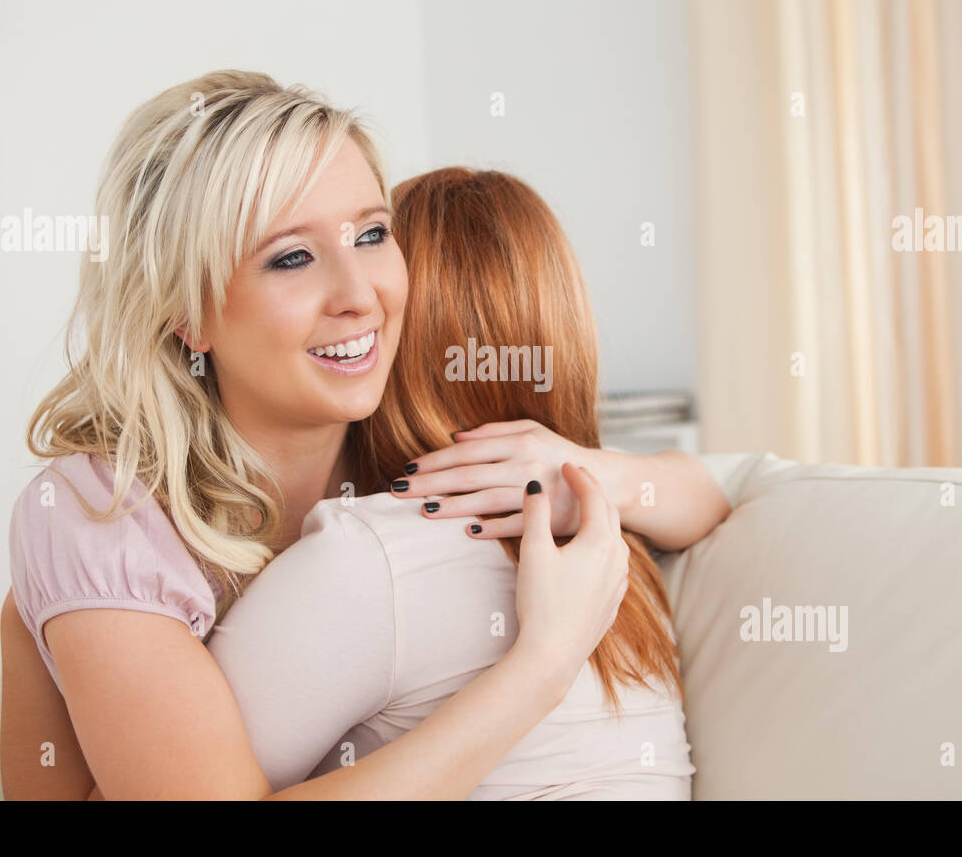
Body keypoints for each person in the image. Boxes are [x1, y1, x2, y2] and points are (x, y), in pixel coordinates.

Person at [1, 70, 729, 799]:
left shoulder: (399, 451)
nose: (360, 295)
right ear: (186, 313)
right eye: (291, 257)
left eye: (373, 235)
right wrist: (543, 664)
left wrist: (573, 474)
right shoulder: (104, 518)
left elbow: (711, 495)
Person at [208, 167, 705, 799]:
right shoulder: (619, 544)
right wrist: (591, 475)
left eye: (372, 246)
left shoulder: (366, 562)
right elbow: (718, 491)